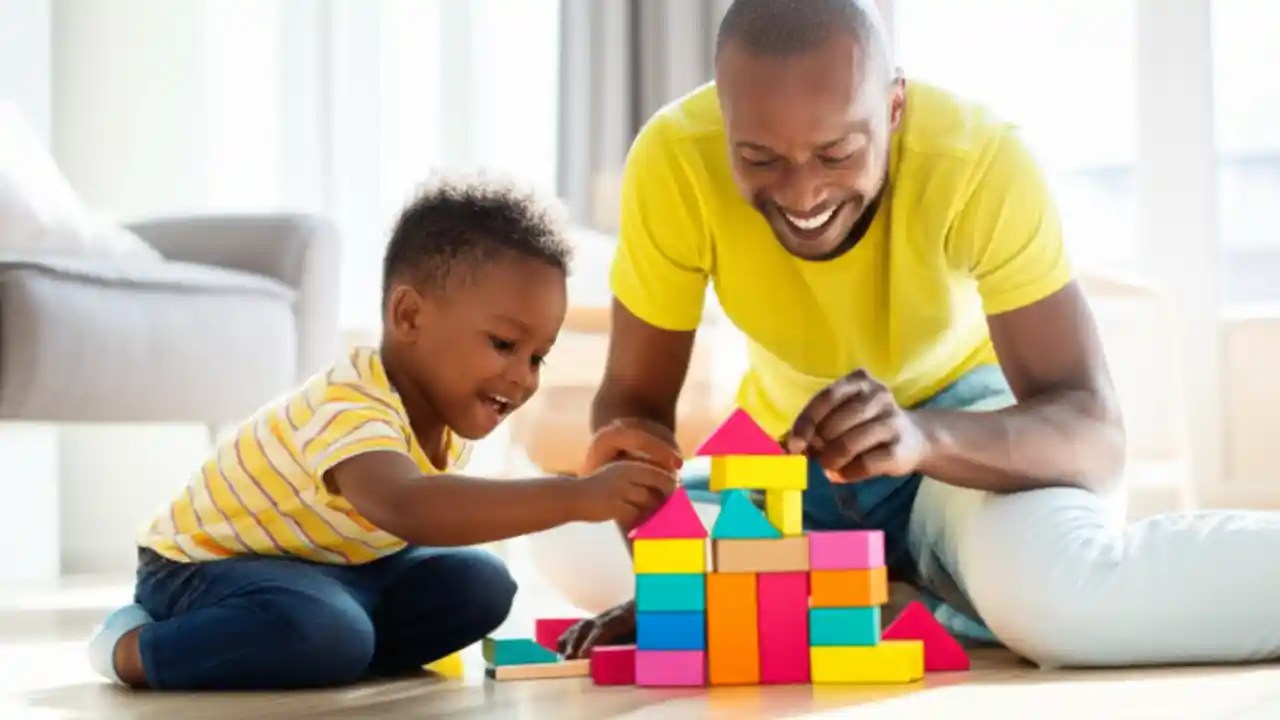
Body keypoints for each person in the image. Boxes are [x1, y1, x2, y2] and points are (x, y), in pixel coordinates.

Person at [553, 0, 1280, 667]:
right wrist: (672, 583)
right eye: (759, 158)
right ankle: (911, 597)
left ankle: (905, 594)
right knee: (578, 546)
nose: (802, 194)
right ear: (724, 115)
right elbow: (633, 403)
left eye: (837, 152)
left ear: (894, 106)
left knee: (1059, 601)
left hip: (967, 445)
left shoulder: (979, 160)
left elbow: (1095, 436)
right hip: (789, 467)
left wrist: (920, 436)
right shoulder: (675, 157)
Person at [86, 177, 680, 690]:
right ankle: (134, 649)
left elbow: (442, 519)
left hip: (336, 568)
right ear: (409, 316)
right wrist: (575, 497)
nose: (522, 378)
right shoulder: (349, 404)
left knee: (483, 585)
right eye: (504, 344)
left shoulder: (442, 408)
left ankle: (336, 650)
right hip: (203, 569)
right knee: (326, 629)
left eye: (537, 357)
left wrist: (588, 487)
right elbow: (409, 505)